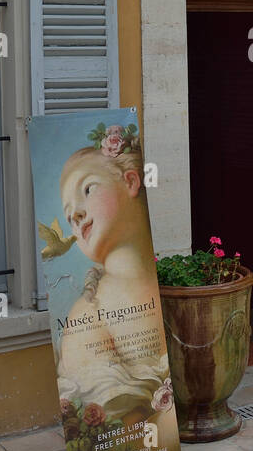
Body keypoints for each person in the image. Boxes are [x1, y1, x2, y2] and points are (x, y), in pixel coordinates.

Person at [53, 129, 173, 432]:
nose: (77, 214)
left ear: (131, 182)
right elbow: (105, 424)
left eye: (88, 189)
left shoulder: (165, 284)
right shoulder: (87, 315)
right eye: (69, 216)